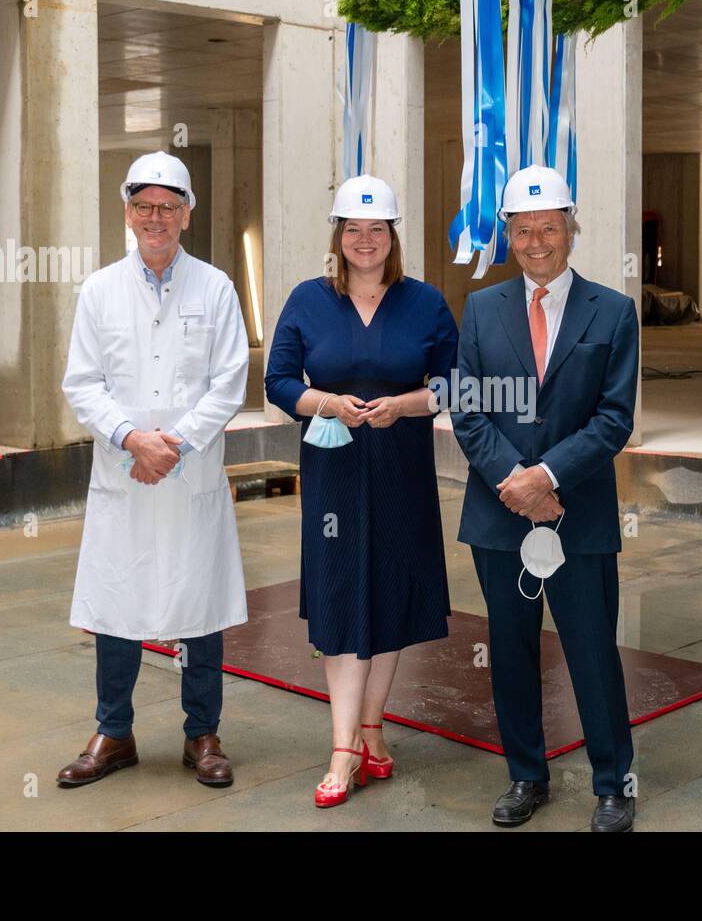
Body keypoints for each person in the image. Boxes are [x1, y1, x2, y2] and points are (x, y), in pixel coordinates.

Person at [452, 165, 640, 832]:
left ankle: (614, 782)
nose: (537, 242)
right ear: (508, 234)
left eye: (550, 228)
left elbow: (614, 419)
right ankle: (527, 776)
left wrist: (549, 478)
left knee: (591, 650)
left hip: (578, 513)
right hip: (501, 515)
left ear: (570, 229)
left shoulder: (612, 313)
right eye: (524, 229)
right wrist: (517, 482)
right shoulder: (480, 310)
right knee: (511, 650)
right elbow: (468, 409)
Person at [265, 174, 459, 808]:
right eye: (354, 229)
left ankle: (372, 728)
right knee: (342, 593)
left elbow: (458, 385)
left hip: (403, 469)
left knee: (392, 594)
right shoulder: (307, 299)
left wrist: (404, 405)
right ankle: (343, 746)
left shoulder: (425, 302)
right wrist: (326, 403)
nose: (365, 240)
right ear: (338, 235)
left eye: (377, 229)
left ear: (392, 236)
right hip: (335, 474)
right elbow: (278, 381)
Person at [58, 151, 249, 789]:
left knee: (199, 607)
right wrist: (133, 439)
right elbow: (82, 383)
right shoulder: (99, 290)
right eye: (144, 206)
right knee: (117, 605)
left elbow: (229, 383)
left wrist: (174, 445)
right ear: (127, 212)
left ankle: (203, 735)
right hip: (125, 473)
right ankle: (114, 733)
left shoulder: (217, 287)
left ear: (187, 214)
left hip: (188, 475)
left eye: (169, 206)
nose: (156, 217)